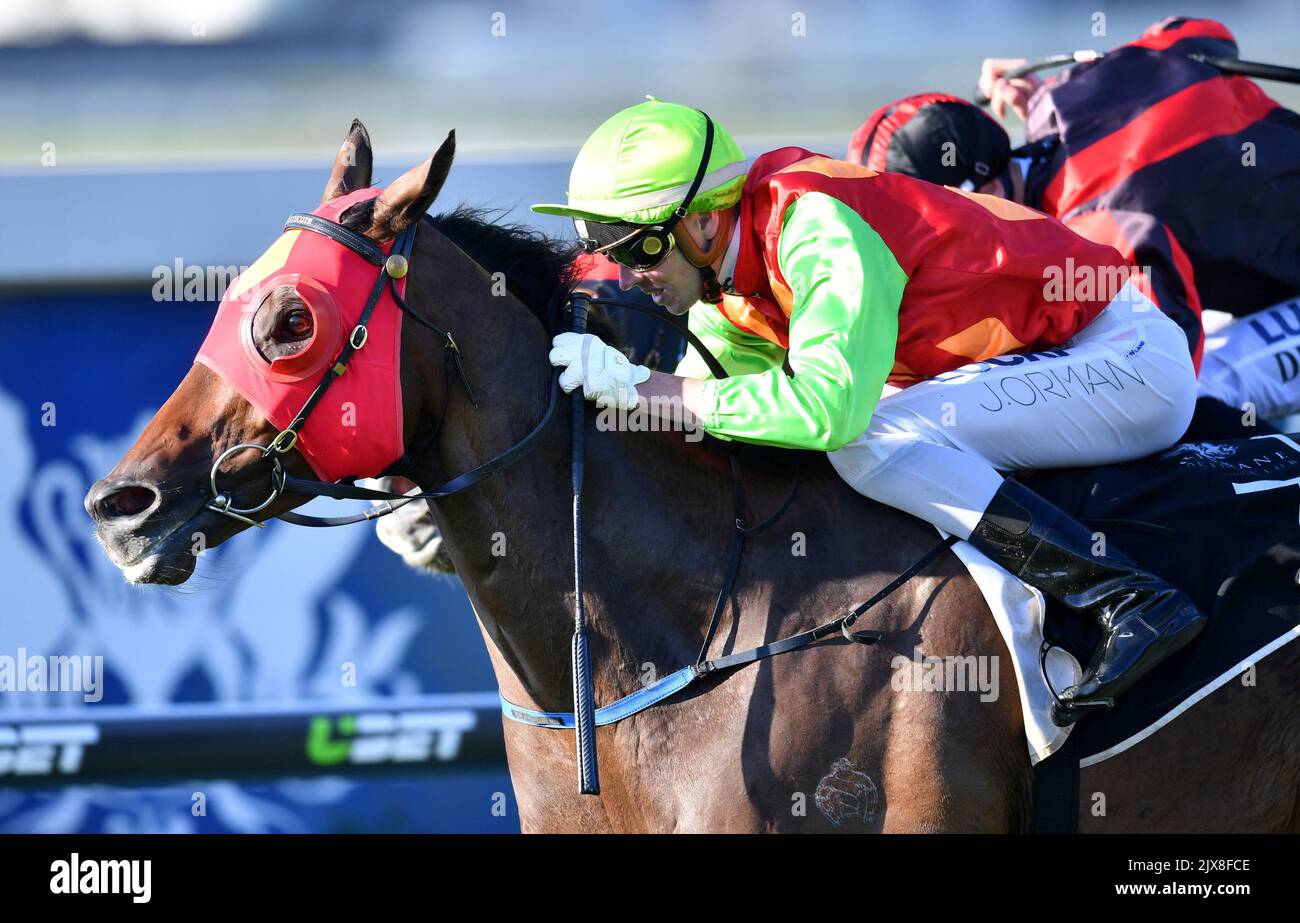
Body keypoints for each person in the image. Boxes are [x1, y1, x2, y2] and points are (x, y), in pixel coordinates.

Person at [534, 97, 1206, 725]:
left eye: (638, 248)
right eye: (610, 254)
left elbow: (830, 412)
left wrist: (642, 388)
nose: (626, 276)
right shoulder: (729, 294)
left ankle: (1125, 596)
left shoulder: (815, 226)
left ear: (705, 220)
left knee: (869, 438)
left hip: (1127, 361)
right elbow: (702, 426)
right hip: (1053, 359)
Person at [850, 17, 1300, 429]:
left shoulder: (1091, 233)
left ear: (980, 195)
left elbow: (1169, 373)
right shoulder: (1059, 93)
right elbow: (1203, 31)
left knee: (1194, 388)